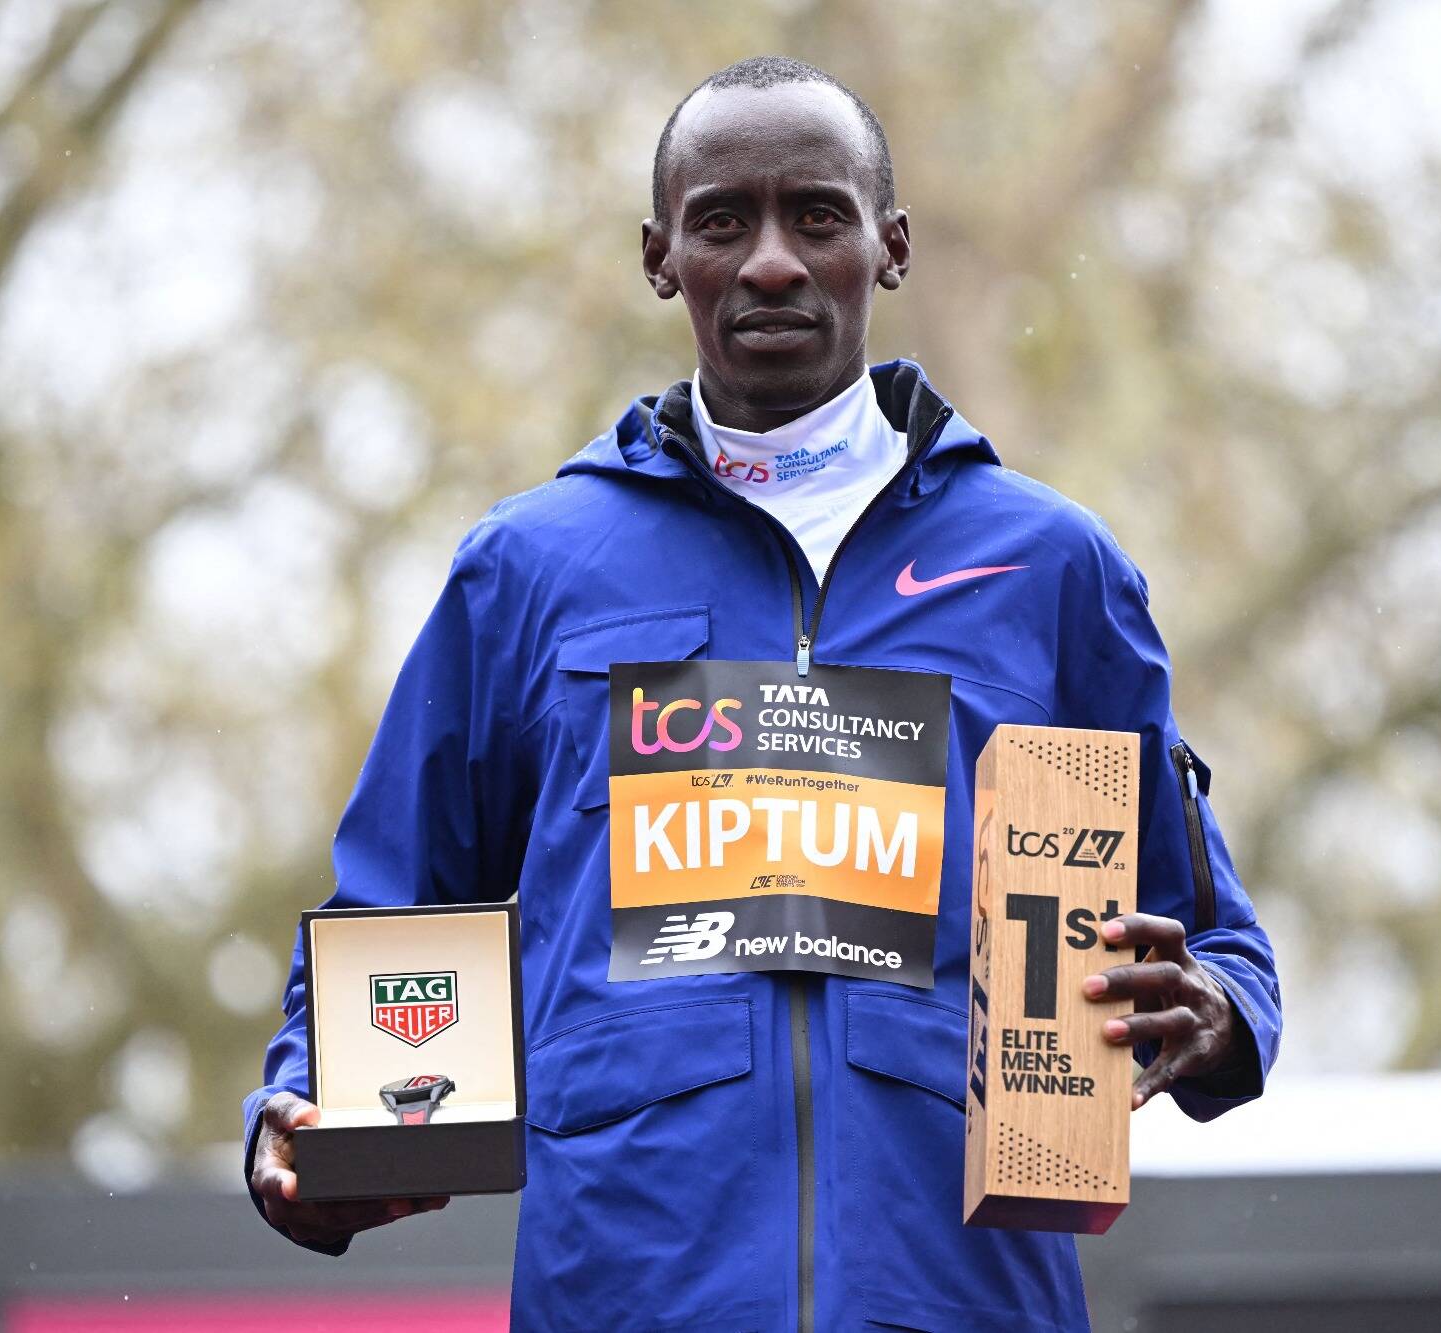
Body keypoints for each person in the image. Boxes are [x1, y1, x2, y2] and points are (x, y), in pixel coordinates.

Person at [245, 55, 1281, 1332]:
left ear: (889, 249)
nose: (772, 261)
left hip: (955, 1292)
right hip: (627, 1287)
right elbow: (395, 907)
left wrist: (1217, 1018)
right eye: (722, 220)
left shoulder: (1050, 569)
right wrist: (304, 1113)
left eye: (819, 216)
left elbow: (1209, 939)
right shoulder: (529, 569)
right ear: (658, 255)